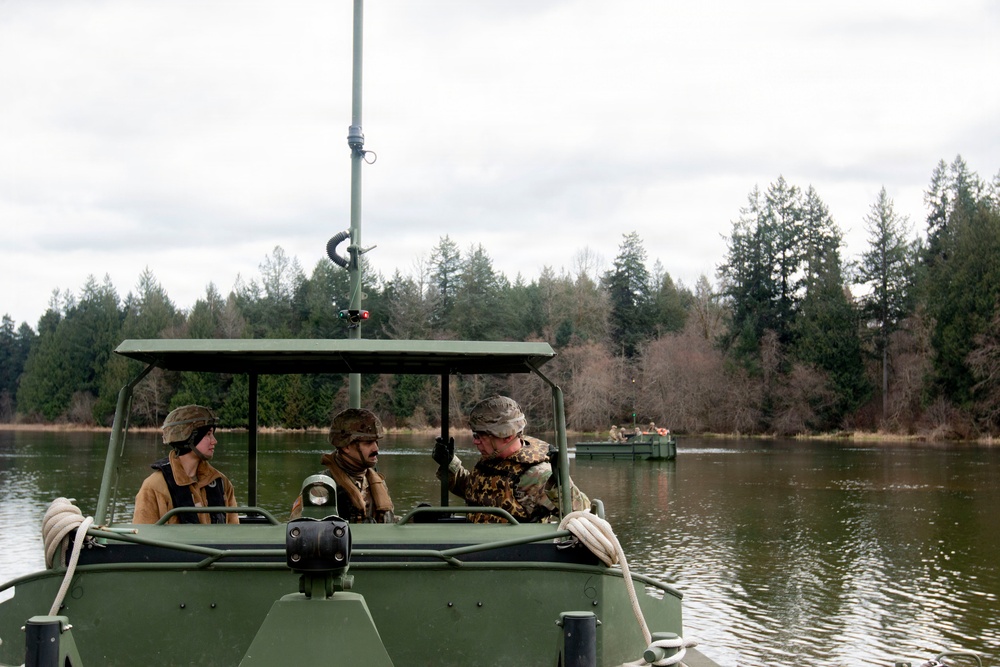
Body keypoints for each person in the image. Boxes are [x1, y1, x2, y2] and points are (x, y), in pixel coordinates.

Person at [432, 395, 590, 524]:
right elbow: (476, 492)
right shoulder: (492, 458)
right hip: (477, 546)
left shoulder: (537, 475)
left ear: (507, 436)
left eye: (480, 436)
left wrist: (560, 486)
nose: (475, 441)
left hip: (514, 554)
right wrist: (450, 464)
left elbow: (585, 517)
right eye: (475, 435)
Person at [133, 404, 239, 525]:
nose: (214, 441)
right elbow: (143, 538)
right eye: (208, 434)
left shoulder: (221, 483)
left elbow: (234, 534)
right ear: (190, 437)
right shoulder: (154, 487)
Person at [290, 408, 394, 523]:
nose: (376, 449)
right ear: (346, 446)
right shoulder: (321, 488)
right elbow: (300, 530)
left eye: (376, 442)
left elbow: (389, 525)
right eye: (368, 443)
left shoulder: (377, 482)